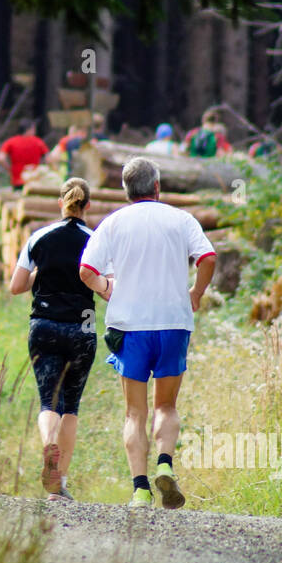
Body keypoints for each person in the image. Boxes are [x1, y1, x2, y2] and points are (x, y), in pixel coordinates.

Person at [77, 157, 217, 510]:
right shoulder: (181, 219)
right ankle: (166, 463)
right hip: (173, 322)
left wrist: (108, 290)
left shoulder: (113, 223)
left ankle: (140, 490)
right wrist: (196, 294)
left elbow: (86, 271)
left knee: (134, 413)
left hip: (130, 326)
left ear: (126, 190)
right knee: (167, 406)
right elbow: (208, 258)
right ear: (157, 187)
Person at [8, 178, 98, 502]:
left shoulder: (38, 237)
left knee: (49, 402)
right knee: (70, 409)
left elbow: (16, 286)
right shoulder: (96, 240)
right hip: (82, 328)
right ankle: (58, 488)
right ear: (87, 206)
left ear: (61, 202)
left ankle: (49, 445)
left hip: (43, 325)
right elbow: (104, 283)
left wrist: (39, 275)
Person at [0, 118, 50, 190]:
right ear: (30, 129)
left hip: (17, 180)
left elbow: (0, 158)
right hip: (34, 181)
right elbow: (48, 158)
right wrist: (42, 169)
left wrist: (10, 170)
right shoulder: (38, 142)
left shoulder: (11, 142)